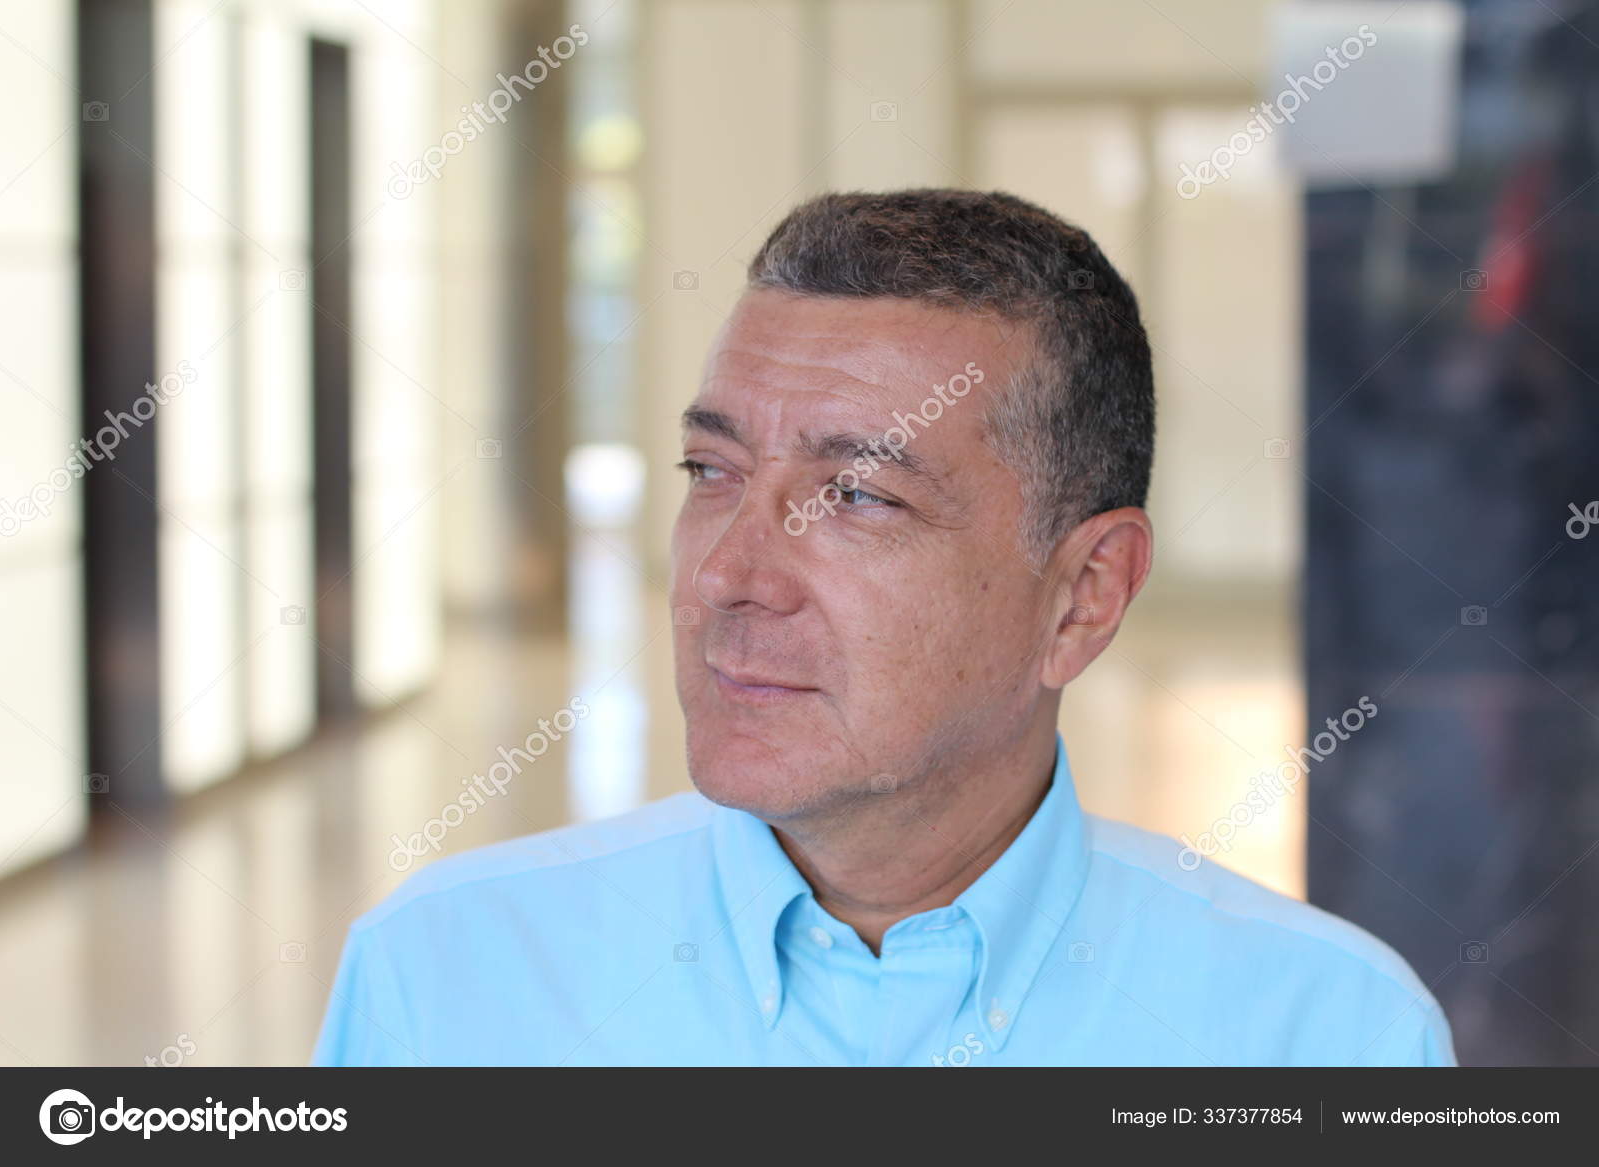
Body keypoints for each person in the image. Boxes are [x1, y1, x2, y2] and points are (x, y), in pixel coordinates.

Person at [314, 189, 1454, 1066]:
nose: (726, 575)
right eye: (710, 470)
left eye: (855, 497)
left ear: (1085, 594)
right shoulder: (449, 980)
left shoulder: (1322, 1036)